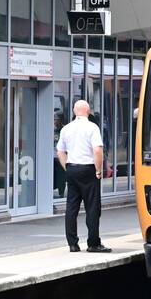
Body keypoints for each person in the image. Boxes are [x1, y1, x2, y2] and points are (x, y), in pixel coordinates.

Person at [57, 99, 109, 253]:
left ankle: (72, 244)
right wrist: (98, 170)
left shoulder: (66, 129)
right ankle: (93, 243)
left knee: (71, 208)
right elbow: (98, 150)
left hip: (72, 169)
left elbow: (60, 151)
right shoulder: (92, 127)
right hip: (88, 170)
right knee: (92, 207)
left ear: (74, 111)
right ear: (88, 111)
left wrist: (67, 166)